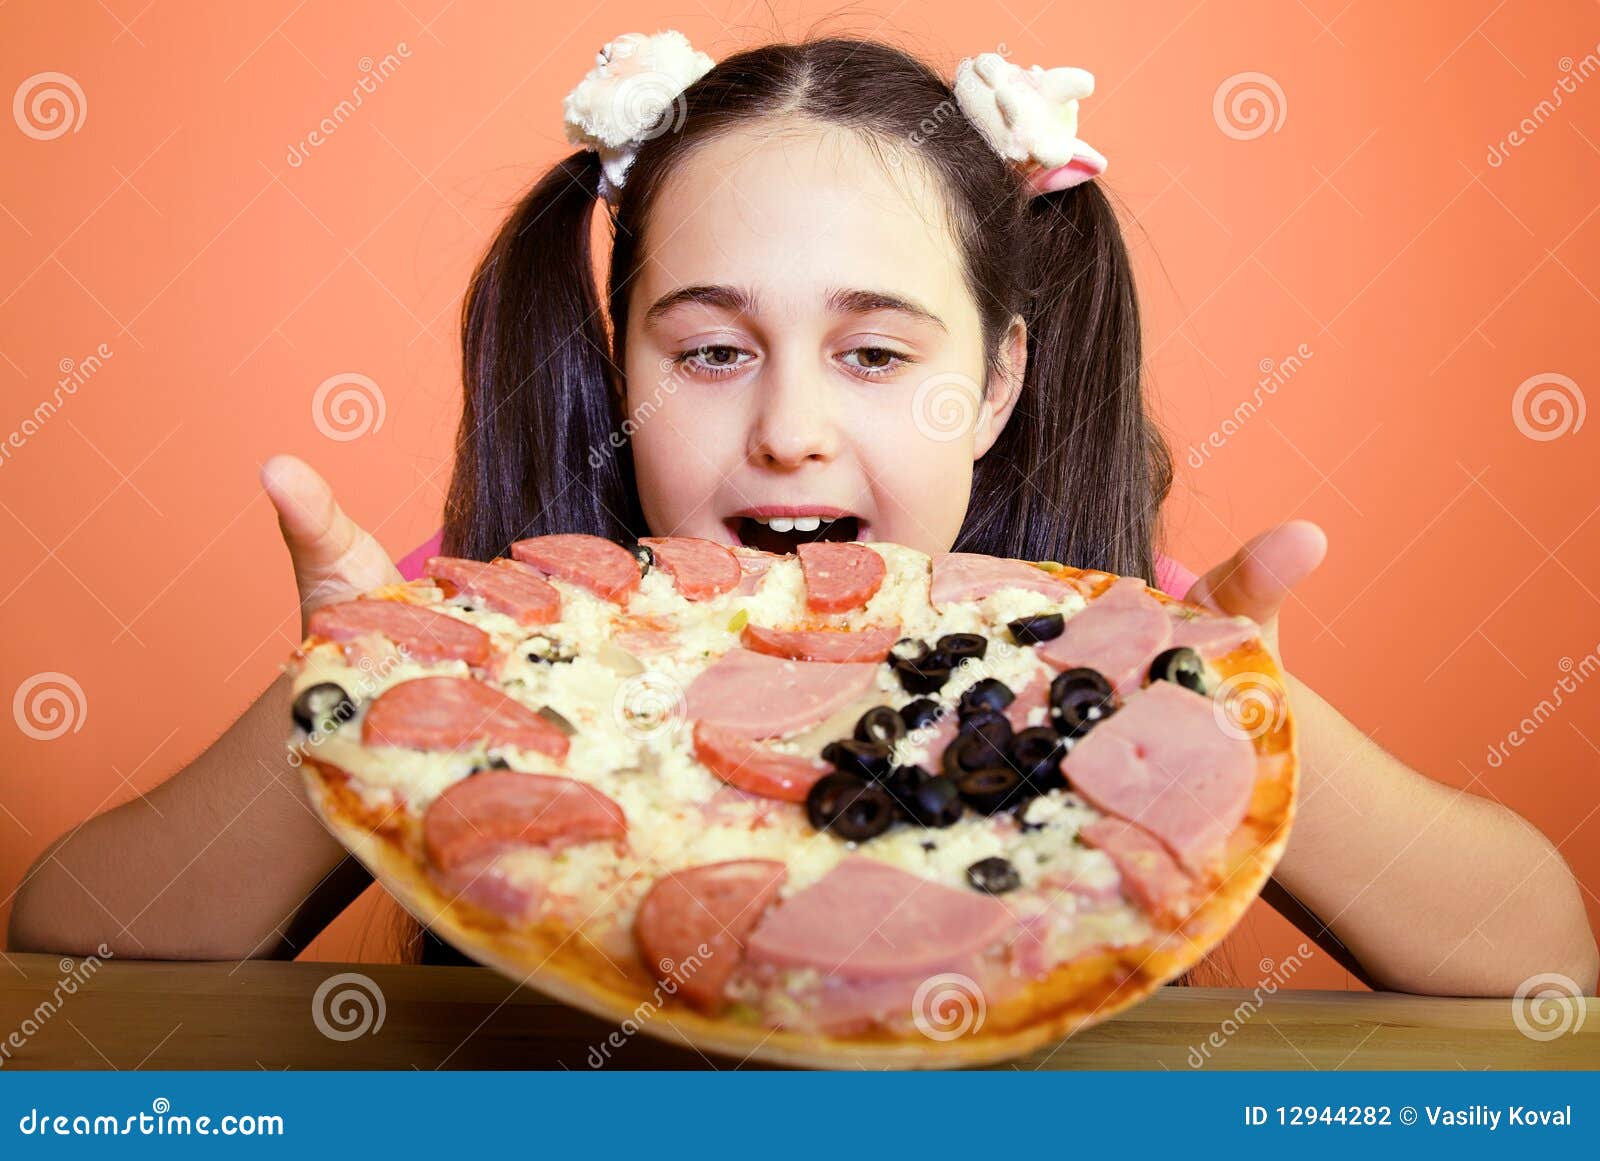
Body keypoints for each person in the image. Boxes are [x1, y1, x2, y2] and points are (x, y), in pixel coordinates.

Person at [10, 34, 1595, 997]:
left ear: (992, 387)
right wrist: (356, 707)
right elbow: (71, 949)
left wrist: (1228, 726)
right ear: (618, 359)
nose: (786, 427)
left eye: (876, 353)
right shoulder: (500, 626)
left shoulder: (1112, 640)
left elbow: (1541, 962)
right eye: (709, 350)